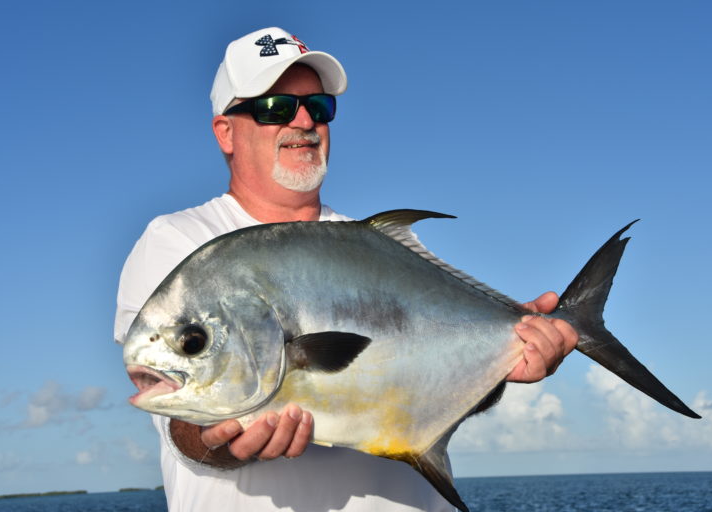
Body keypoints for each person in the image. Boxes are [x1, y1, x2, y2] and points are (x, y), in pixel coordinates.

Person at [115, 27, 578, 512]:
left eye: (318, 106)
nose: (303, 121)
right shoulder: (179, 242)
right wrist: (219, 439)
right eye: (274, 107)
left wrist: (505, 360)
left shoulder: (381, 244)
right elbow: (183, 430)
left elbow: (430, 382)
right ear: (225, 132)